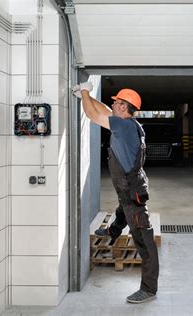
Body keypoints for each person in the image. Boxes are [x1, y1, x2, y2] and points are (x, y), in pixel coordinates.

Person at [72, 82, 159, 304]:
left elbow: (92, 115)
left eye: (117, 103)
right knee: (123, 209)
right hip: (129, 187)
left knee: (144, 240)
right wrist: (86, 96)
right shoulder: (128, 123)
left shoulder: (123, 126)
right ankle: (113, 231)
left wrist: (84, 94)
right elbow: (104, 111)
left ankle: (148, 289)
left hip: (132, 191)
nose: (114, 105)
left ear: (124, 107)